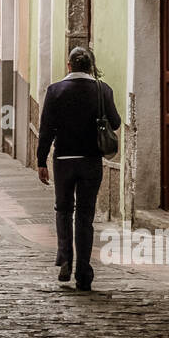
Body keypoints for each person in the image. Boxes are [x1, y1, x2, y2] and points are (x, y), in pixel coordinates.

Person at [36, 46, 122, 290]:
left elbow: (46, 130)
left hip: (63, 160)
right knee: (85, 215)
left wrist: (42, 161)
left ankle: (65, 258)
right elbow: (114, 122)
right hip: (90, 160)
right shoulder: (101, 89)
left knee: (63, 210)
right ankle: (84, 271)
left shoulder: (55, 91)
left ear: (69, 65)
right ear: (91, 66)